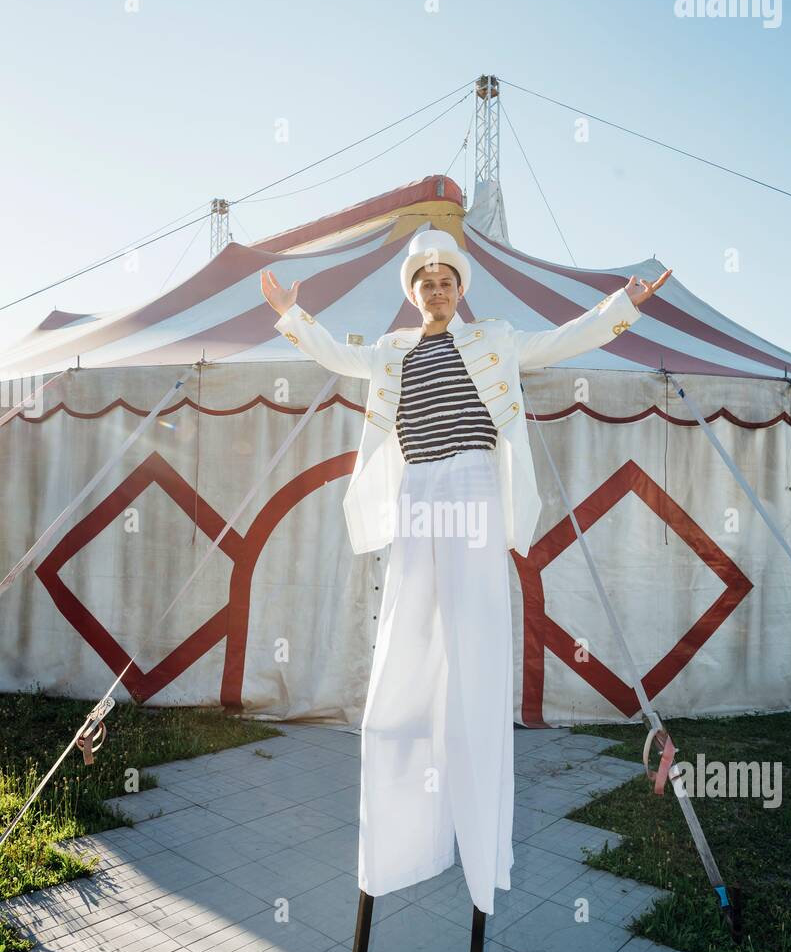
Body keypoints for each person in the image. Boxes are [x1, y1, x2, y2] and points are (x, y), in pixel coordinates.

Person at [261, 235, 670, 915]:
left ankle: (477, 783)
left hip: (475, 484)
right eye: (425, 280)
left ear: (461, 286)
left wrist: (623, 303)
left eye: (446, 278)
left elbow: (569, 339)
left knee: (474, 633)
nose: (437, 288)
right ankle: (405, 787)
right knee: (408, 634)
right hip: (418, 489)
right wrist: (292, 316)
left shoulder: (497, 339)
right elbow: (336, 355)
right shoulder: (390, 351)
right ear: (412, 291)